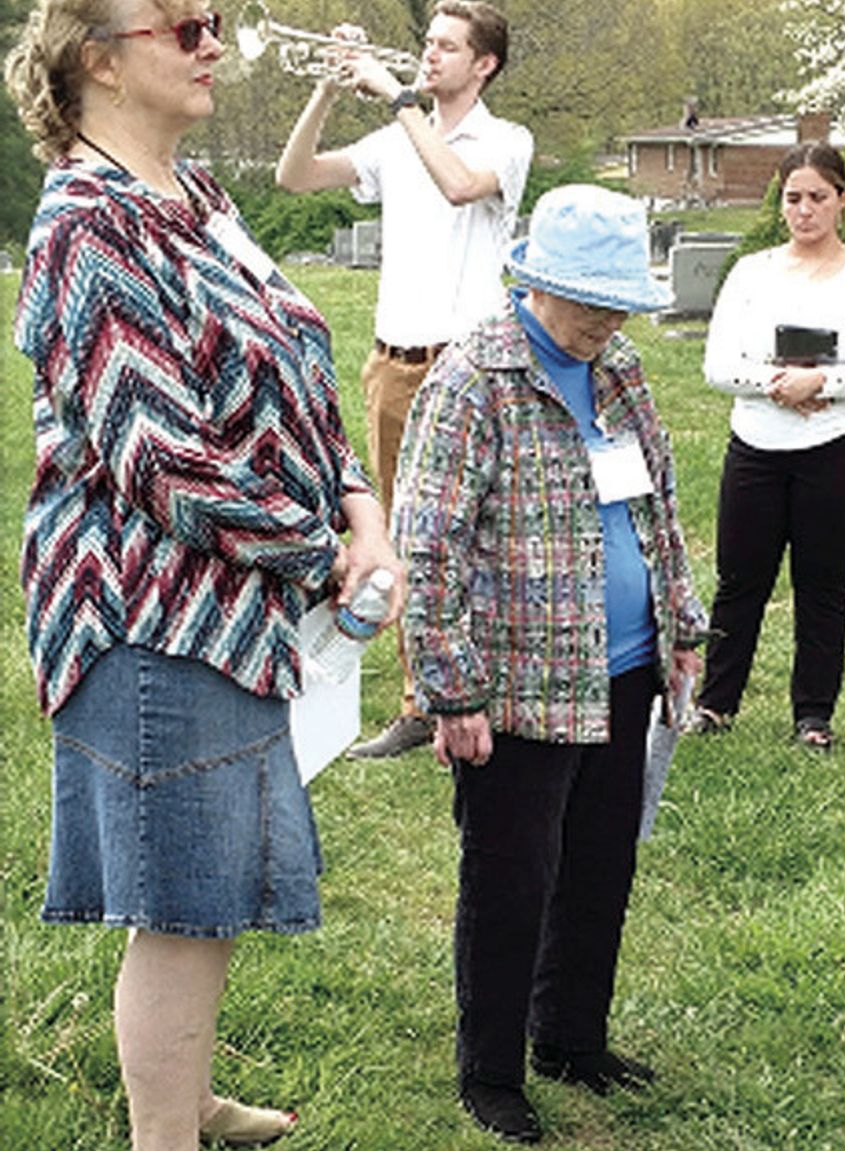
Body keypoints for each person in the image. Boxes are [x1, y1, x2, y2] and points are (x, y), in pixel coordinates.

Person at [4, 3, 405, 1148]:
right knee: (181, 907)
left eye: (216, 20)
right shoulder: (86, 223)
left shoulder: (198, 201)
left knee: (216, 880)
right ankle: (163, 1131)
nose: (214, 42)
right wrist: (324, 552)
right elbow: (158, 455)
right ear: (96, 57)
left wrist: (361, 503)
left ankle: (184, 1093)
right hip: (148, 618)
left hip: (241, 603)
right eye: (185, 25)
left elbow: (297, 353)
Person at [393, 184, 707, 1145]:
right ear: (534, 283)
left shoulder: (622, 371)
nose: (605, 321)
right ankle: (490, 1069)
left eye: (618, 304)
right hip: (518, 682)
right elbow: (427, 542)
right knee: (511, 875)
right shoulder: (471, 380)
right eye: (589, 302)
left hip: (624, 666)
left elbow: (657, 507)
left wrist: (681, 627)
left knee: (600, 862)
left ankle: (572, 1036)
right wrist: (451, 687)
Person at [276, 0, 532, 759]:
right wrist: (328, 85)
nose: (430, 56)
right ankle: (421, 700)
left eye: (447, 47)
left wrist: (396, 94)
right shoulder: (397, 137)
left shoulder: (506, 140)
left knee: (479, 533)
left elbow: (457, 184)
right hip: (394, 362)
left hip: (470, 364)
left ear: (483, 64)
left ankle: (493, 683)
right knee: (400, 538)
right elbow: (294, 176)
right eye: (428, 44)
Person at [687, 141, 845, 751]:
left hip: (837, 446)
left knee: (823, 582)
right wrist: (778, 385)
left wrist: (825, 383)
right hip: (757, 444)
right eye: (793, 198)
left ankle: (813, 715)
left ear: (842, 200)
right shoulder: (752, 272)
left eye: (817, 197)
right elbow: (718, 364)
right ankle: (716, 704)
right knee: (740, 578)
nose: (804, 210)